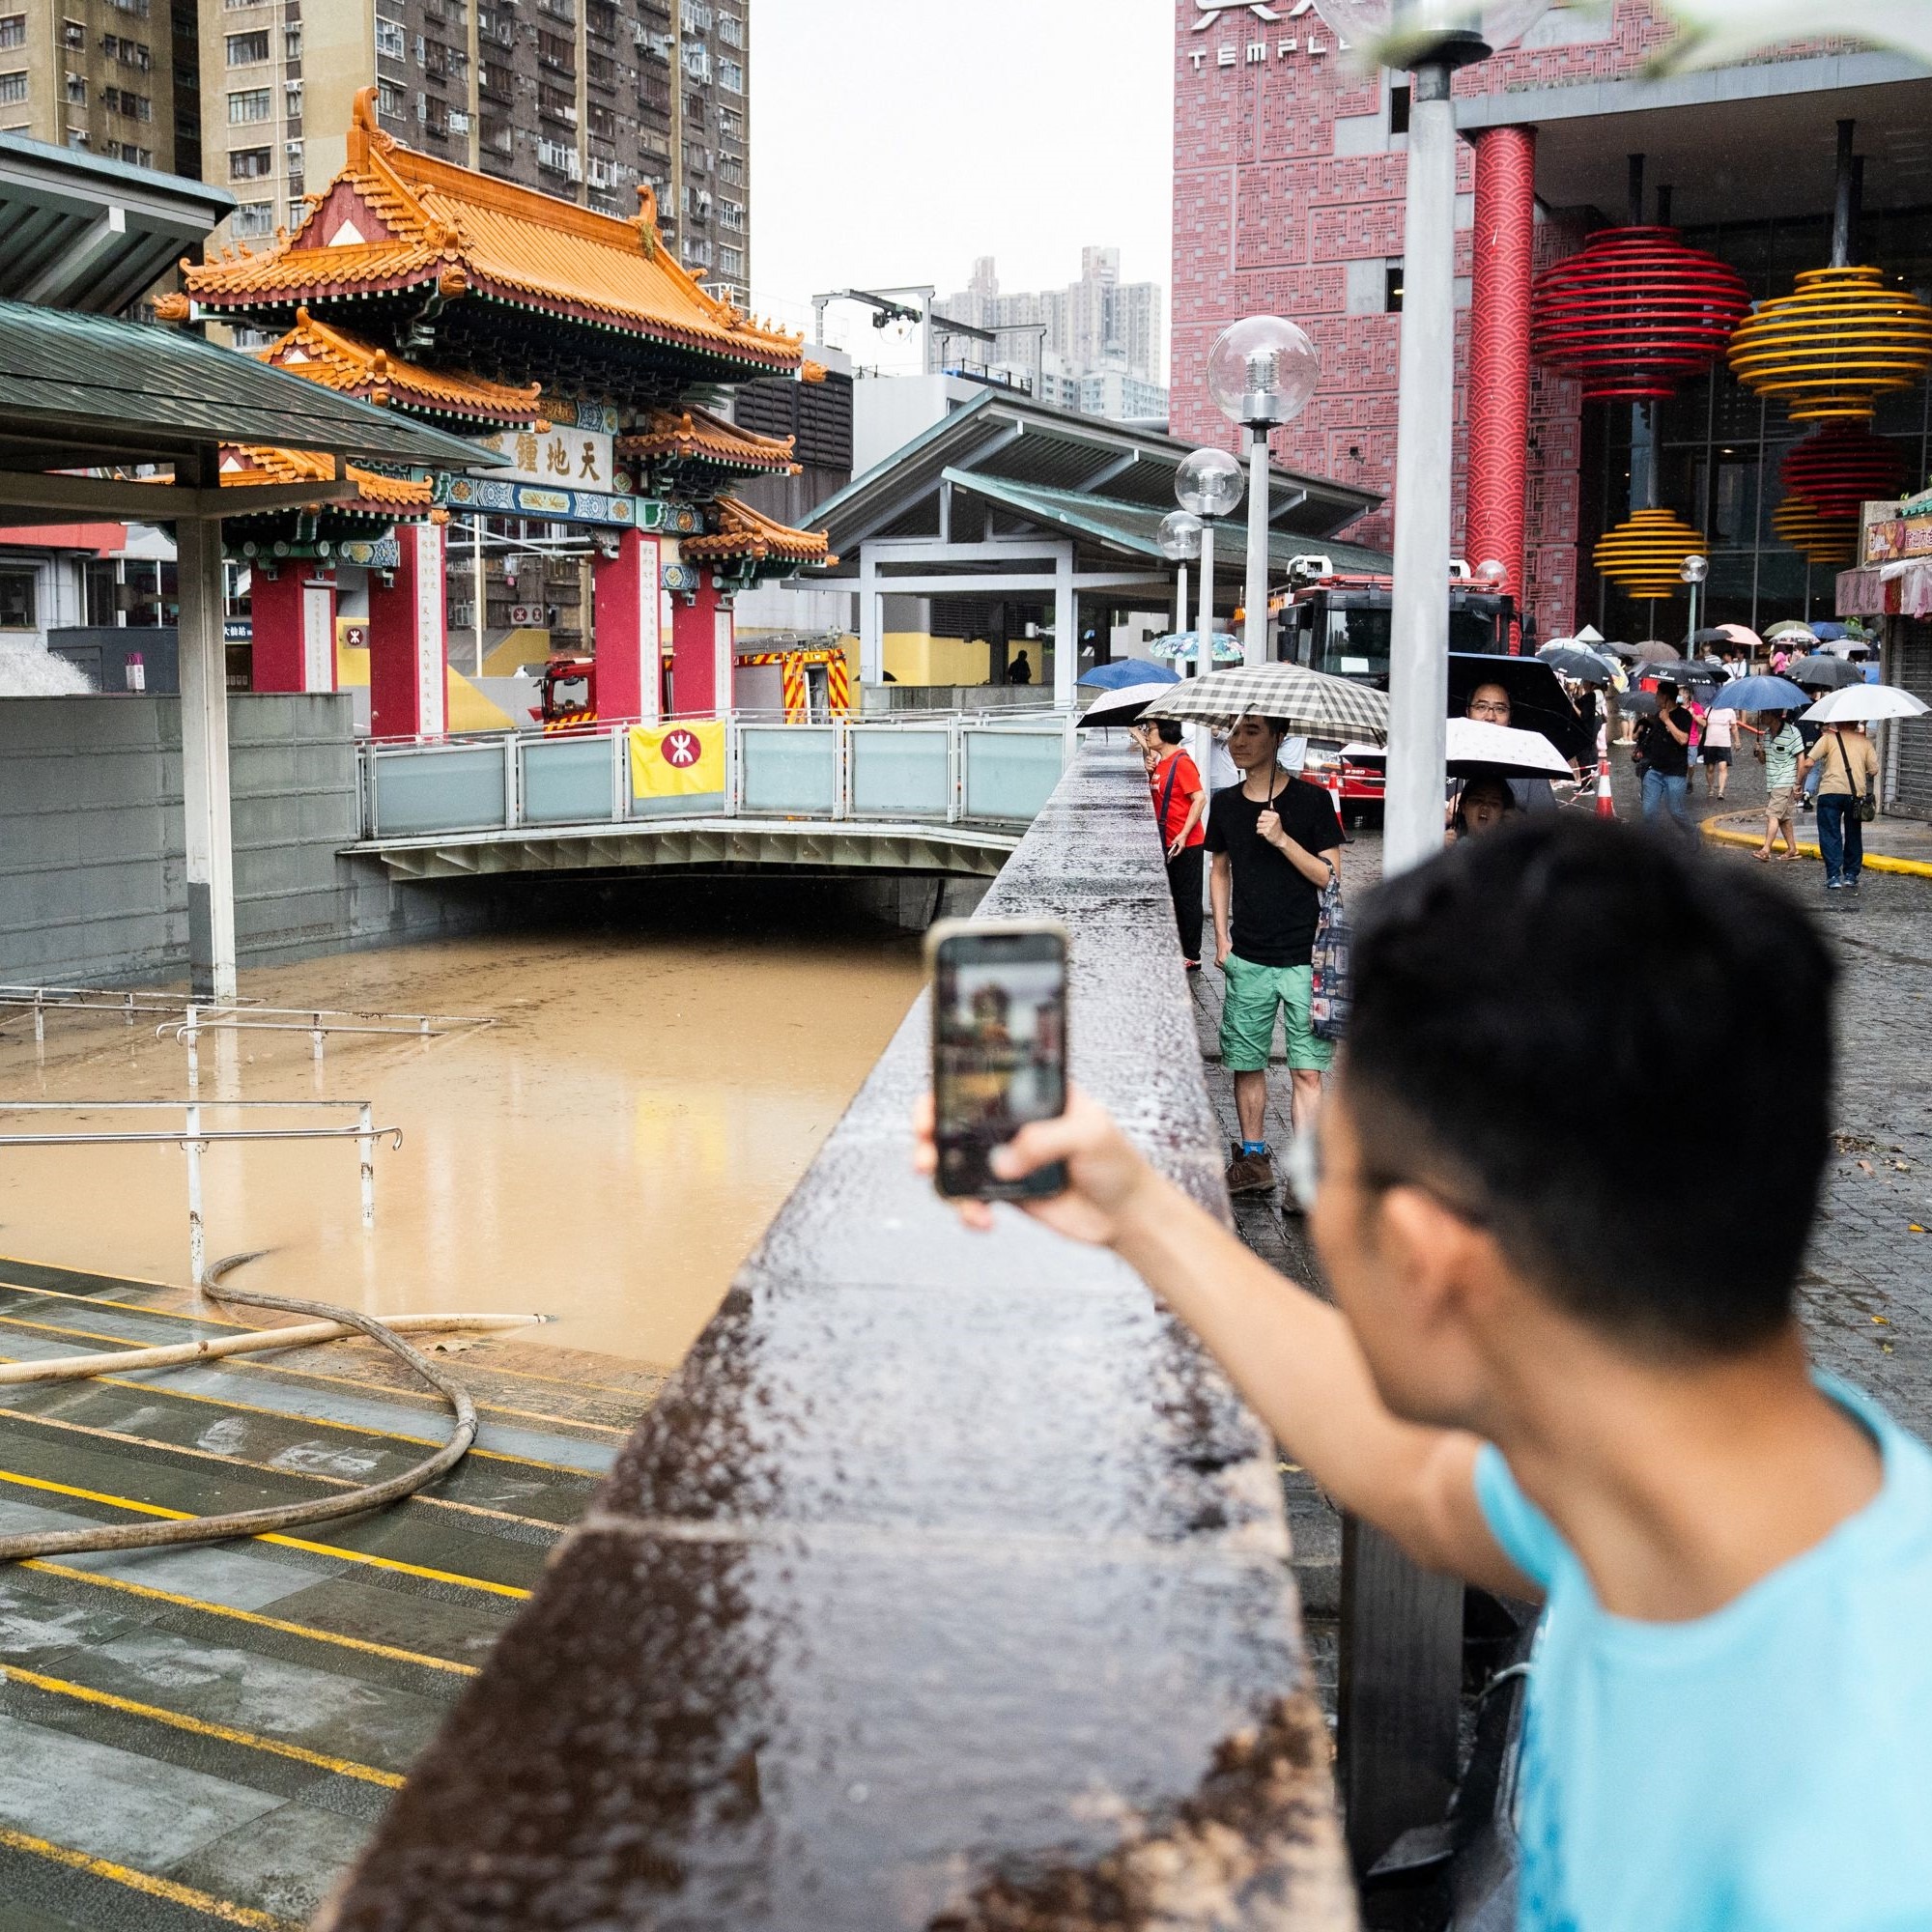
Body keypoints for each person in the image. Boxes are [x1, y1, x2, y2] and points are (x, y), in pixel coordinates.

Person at [915, 816, 1932, 1931]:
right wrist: (1134, 1207)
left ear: (1423, 1251)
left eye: (1320, 1164)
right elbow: (1411, 1476)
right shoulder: (1703, 1481)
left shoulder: (1856, 1854)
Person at [1203, 713, 1343, 1198]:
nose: (1237, 741)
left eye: (1252, 731)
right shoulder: (1223, 805)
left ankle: (1304, 1177)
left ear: (1279, 738)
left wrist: (1283, 839)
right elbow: (1220, 871)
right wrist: (1221, 938)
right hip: (1250, 955)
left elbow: (1331, 876)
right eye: (1234, 732)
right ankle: (1254, 1158)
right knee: (1247, 1061)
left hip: (1307, 957)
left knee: (1307, 1070)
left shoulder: (1312, 801)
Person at [1148, 718, 1207, 965]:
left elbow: (1200, 799)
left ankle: (1192, 954)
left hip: (1186, 843)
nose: (1147, 734)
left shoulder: (1182, 763)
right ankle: (1178, 947)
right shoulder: (1162, 763)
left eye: (1149, 729)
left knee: (1187, 900)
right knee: (1174, 897)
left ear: (1165, 731)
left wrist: (1183, 833)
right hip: (1169, 842)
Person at [1465, 679, 1562, 810]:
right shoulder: (1444, 757)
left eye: (1500, 709)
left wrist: (1515, 821)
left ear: (1510, 717)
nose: (1490, 716)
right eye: (1481, 707)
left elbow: (1548, 824)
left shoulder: (1529, 765)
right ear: (1468, 712)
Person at [1813, 719, 1880, 892]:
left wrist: (1799, 783)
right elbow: (1873, 770)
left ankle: (1834, 876)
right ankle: (1851, 875)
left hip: (1830, 791)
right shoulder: (1864, 742)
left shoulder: (1827, 739)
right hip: (1855, 793)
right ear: (1855, 722)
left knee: (1830, 833)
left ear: (1838, 722)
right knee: (1853, 833)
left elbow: (1808, 761)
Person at [1634, 677, 1694, 827]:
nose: (1655, 698)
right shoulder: (1658, 715)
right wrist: (1640, 749)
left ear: (1666, 697)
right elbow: (1654, 738)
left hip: (1675, 773)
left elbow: (1683, 740)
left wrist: (1668, 721)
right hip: (1654, 771)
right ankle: (1651, 845)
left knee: (1675, 812)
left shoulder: (1683, 715)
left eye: (1658, 695)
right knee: (1648, 812)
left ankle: (1692, 836)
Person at [1756, 710, 1805, 862]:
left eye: (1764, 714)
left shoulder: (1792, 732)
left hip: (1785, 782)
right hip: (1771, 782)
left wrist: (1798, 782)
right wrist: (1759, 752)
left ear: (1773, 715)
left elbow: (1801, 758)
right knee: (1783, 818)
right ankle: (1792, 849)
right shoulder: (1766, 734)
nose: (1761, 717)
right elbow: (1763, 761)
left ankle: (1765, 850)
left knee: (1772, 815)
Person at [1450, 771, 1516, 840]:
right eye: (1478, 800)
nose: (1485, 807)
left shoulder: (1513, 850)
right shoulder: (1448, 848)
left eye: (1493, 803)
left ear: (1504, 812)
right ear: (1463, 807)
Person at [1700, 696, 1738, 800]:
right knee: (1710, 768)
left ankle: (1721, 791)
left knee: (1723, 767)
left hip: (1724, 743)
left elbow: (1734, 728)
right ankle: (1711, 788)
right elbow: (1704, 724)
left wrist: (1737, 741)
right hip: (1709, 743)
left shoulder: (1730, 712)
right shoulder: (1709, 710)